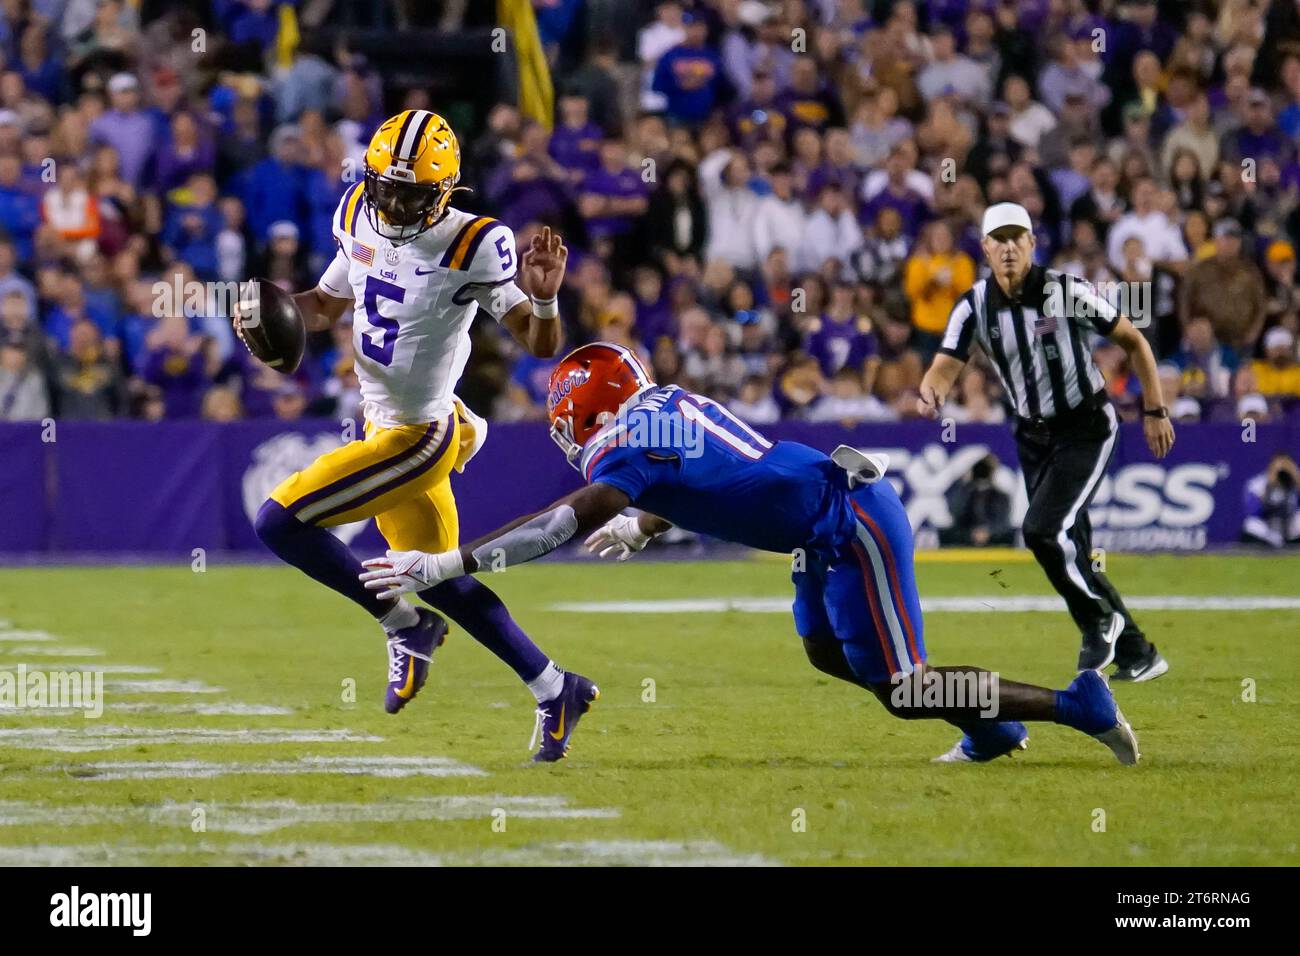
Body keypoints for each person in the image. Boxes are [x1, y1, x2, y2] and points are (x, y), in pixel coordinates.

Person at [359, 343, 1143, 767]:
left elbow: (560, 522)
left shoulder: (625, 443)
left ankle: (1077, 705)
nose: (564, 435)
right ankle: (992, 728)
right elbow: (714, 469)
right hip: (815, 522)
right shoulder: (660, 410)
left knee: (903, 686)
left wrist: (448, 564)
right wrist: (649, 522)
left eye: (566, 418)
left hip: (849, 519)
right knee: (827, 652)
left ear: (585, 411)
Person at [234, 110, 594, 761]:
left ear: (448, 191)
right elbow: (326, 303)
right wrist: (270, 307)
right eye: (387, 188)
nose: (396, 204)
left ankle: (404, 623)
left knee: (279, 522)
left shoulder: (473, 243)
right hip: (386, 423)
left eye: (413, 193)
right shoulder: (357, 213)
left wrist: (543, 299)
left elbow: (539, 343)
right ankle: (554, 685)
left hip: (418, 435)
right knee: (436, 574)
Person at [918, 202, 1173, 681]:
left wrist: (1154, 410)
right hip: (1032, 436)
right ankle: (1138, 651)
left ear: (1033, 243)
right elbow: (947, 361)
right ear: (985, 248)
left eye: (1019, 237)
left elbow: (1134, 340)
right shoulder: (973, 304)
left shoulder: (1067, 292)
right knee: (1069, 544)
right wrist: (932, 389)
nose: (1009, 247)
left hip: (1086, 426)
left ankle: (1101, 620)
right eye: (1000, 239)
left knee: (1041, 531)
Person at [1242, 453, 1300, 548]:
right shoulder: (1258, 483)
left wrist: (1296, 479)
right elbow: (1252, 511)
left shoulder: (1294, 481)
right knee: (1250, 524)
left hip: (1289, 525)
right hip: (1267, 526)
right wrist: (1270, 485)